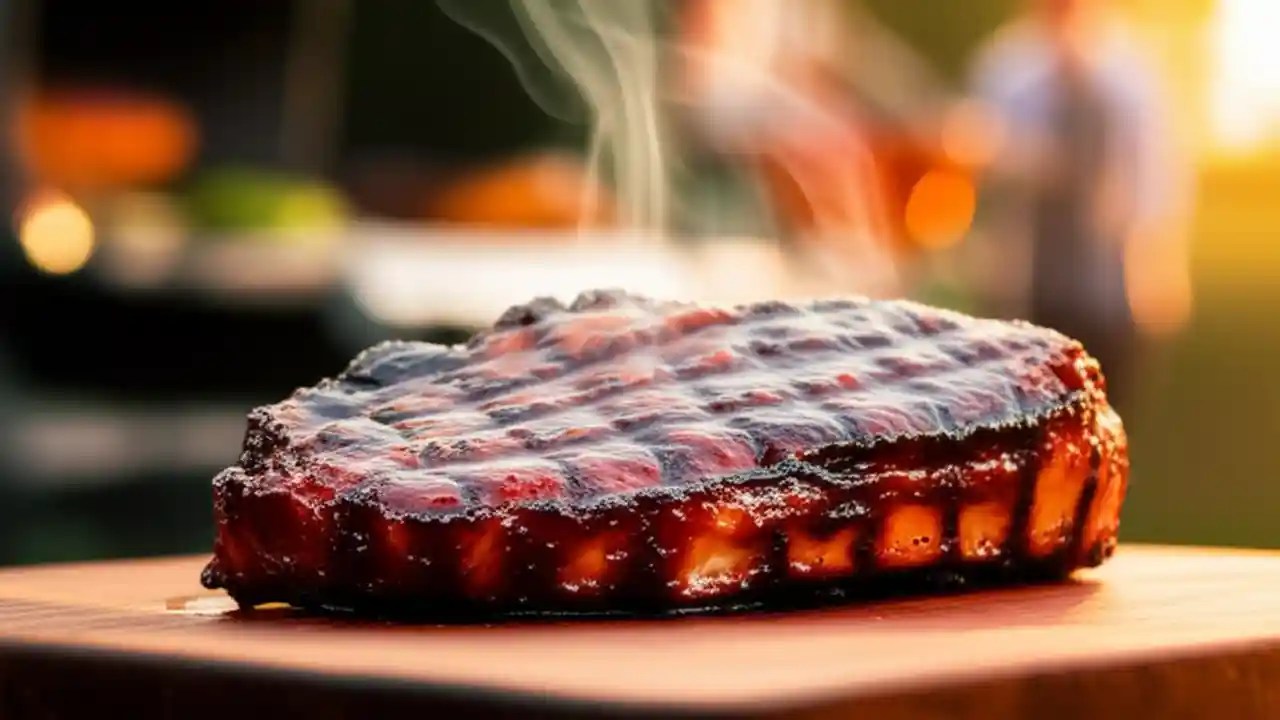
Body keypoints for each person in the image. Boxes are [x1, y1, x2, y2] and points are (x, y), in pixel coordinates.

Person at [964, 0, 1192, 414]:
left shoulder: (1134, 74)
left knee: (1109, 405)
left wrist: (1158, 265)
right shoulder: (1008, 69)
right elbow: (980, 157)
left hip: (1109, 281)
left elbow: (1158, 174)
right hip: (1030, 279)